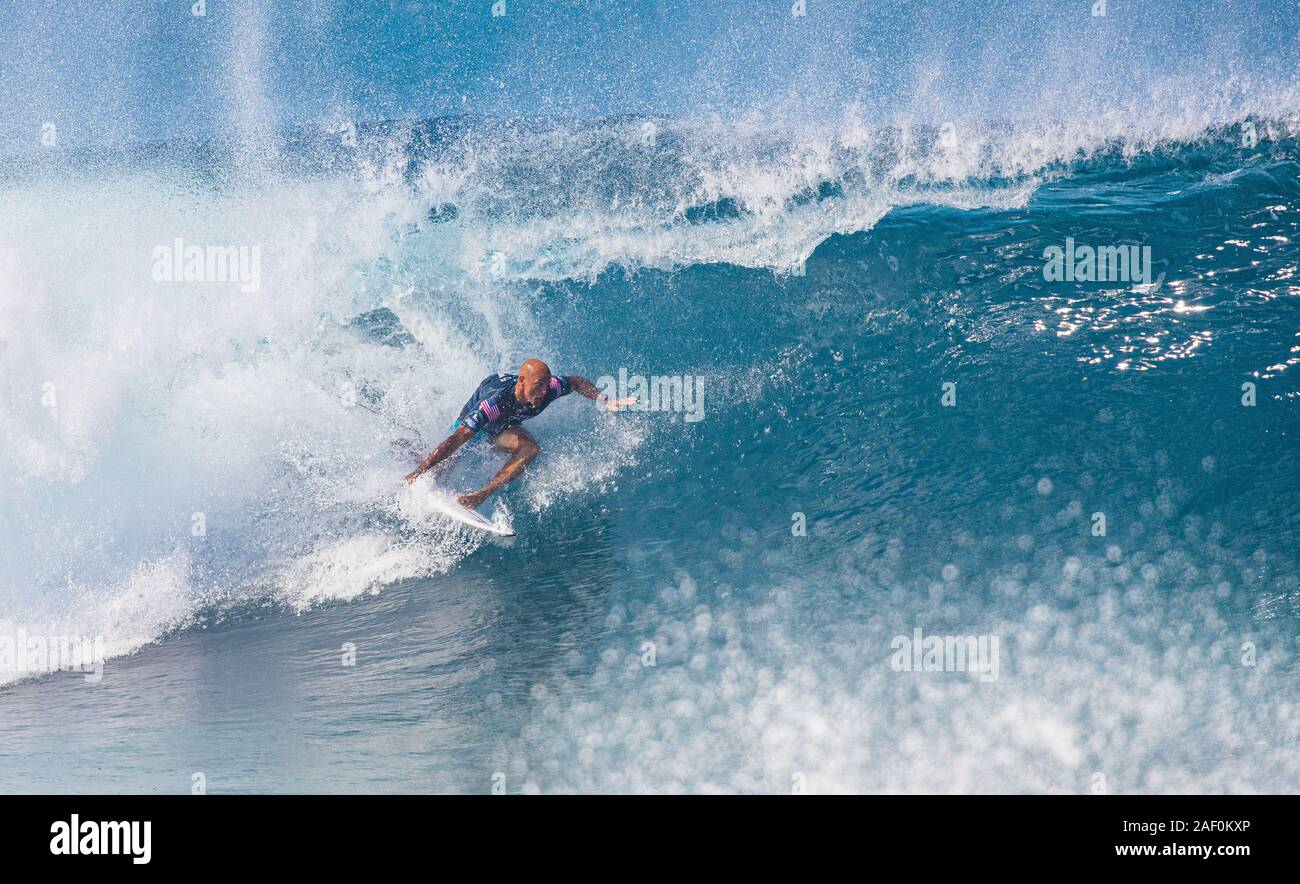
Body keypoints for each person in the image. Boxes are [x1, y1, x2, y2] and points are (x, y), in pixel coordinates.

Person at [403, 358, 635, 509]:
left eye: (546, 385)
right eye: (539, 385)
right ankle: (411, 457)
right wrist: (419, 472)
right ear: (522, 382)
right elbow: (458, 438)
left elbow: (574, 382)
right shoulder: (493, 403)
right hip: (476, 425)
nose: (544, 391)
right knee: (441, 469)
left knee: (531, 448)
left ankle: (482, 494)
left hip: (503, 428)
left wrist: (604, 399)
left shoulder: (550, 389)